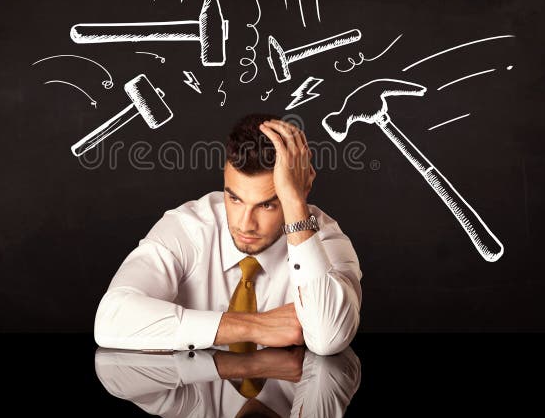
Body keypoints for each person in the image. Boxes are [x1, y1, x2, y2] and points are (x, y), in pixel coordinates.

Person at [93, 113, 363, 356]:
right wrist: (253, 326)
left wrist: (294, 203)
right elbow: (110, 319)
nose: (245, 224)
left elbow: (329, 339)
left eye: (267, 204)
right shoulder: (189, 228)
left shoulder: (325, 241)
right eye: (234, 199)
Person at [94, 345, 362, 418]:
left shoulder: (195, 411)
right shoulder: (319, 392)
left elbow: (112, 372)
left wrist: (243, 365)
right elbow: (333, 363)